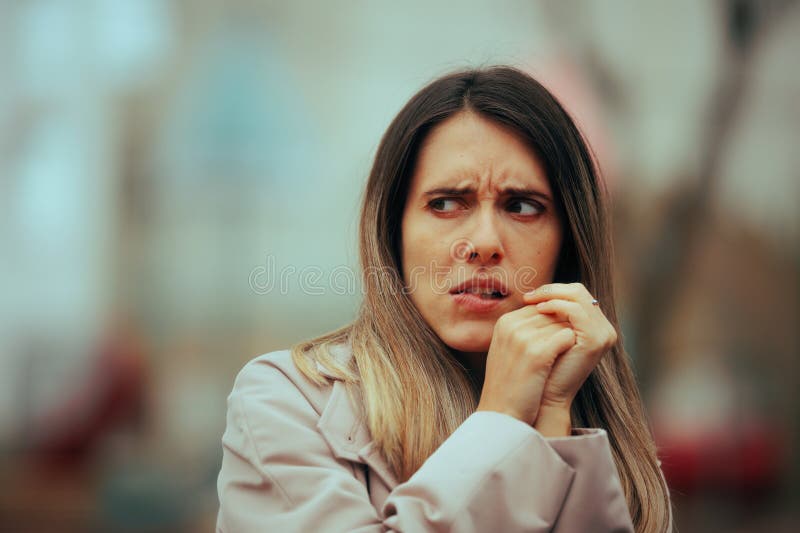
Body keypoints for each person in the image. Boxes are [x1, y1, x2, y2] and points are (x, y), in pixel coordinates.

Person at [216, 65, 673, 532]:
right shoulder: (284, 403)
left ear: (568, 243)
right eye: (447, 203)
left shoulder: (610, 437)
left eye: (521, 206)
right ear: (394, 233)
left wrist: (552, 416)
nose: (484, 242)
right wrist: (502, 421)